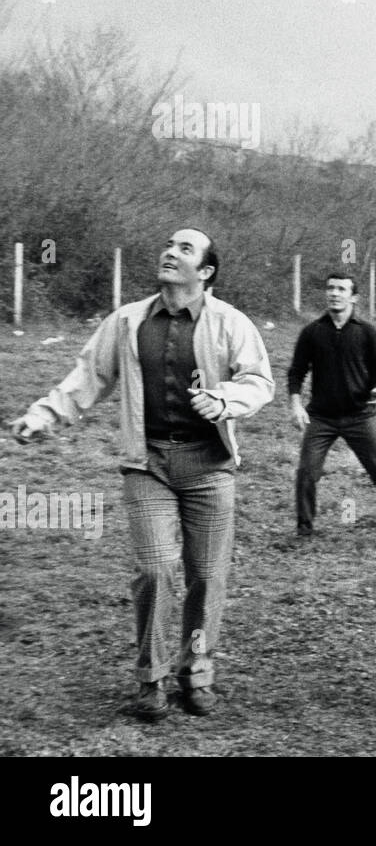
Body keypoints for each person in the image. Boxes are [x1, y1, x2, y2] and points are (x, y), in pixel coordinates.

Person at [9, 227, 273, 721]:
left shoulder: (230, 322)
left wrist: (223, 400)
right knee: (155, 571)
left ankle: (196, 671)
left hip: (210, 470)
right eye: (170, 245)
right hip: (147, 465)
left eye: (185, 249)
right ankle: (151, 679)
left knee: (207, 576)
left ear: (206, 272)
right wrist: (43, 415)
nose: (170, 253)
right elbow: (89, 377)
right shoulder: (127, 321)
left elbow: (259, 382)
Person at [287, 271, 376, 545]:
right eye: (330, 288)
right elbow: (296, 372)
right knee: (306, 472)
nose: (334, 293)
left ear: (354, 297)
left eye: (341, 289)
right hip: (321, 417)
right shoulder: (312, 332)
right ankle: (304, 531)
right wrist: (296, 404)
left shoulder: (366, 331)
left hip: (360, 415)